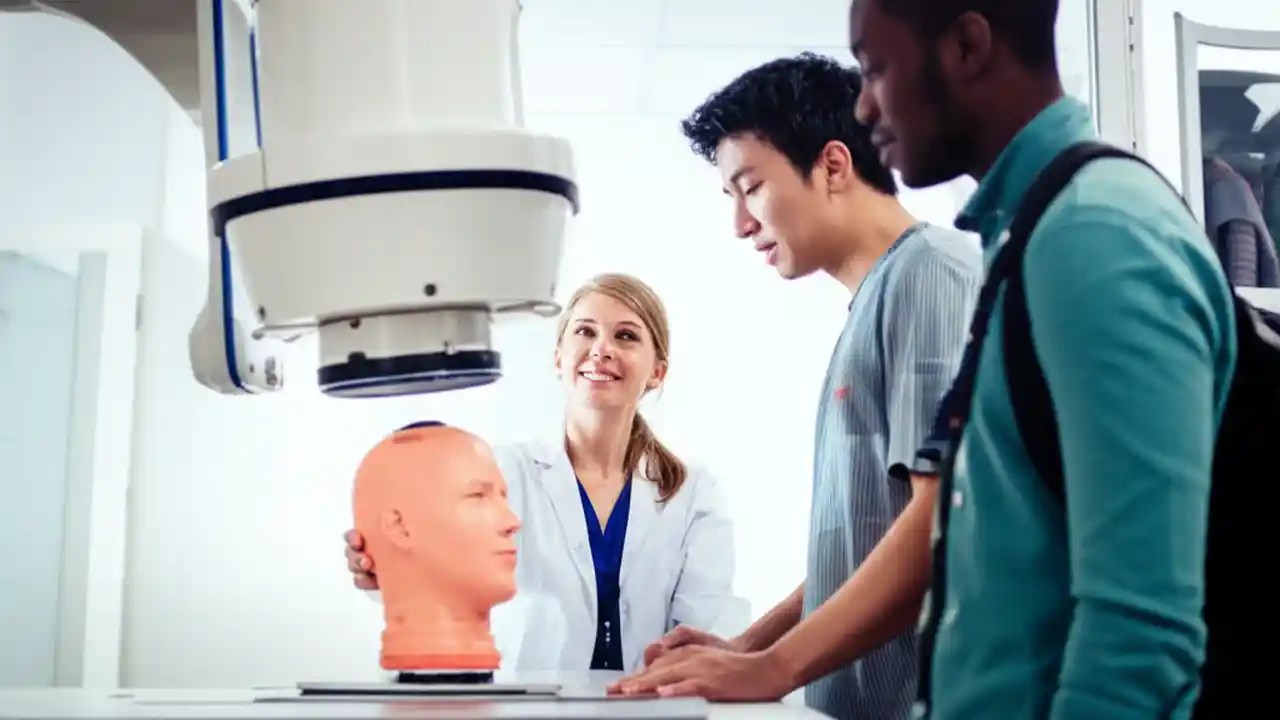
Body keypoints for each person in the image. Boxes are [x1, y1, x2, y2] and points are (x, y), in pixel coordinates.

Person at [847, 0, 1237, 717]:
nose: (864, 105)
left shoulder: (1096, 233)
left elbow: (1140, 641)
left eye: (875, 68)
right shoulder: (1032, 232)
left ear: (967, 45)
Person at [609, 53, 982, 720]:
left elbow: (940, 524)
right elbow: (875, 540)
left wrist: (773, 669)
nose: (740, 224)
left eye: (749, 188)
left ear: (834, 166)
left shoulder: (929, 276)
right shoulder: (878, 301)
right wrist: (752, 645)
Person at [342, 273, 739, 673]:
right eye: (585, 331)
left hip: (655, 707)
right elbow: (437, 580)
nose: (601, 349)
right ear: (557, 358)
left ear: (657, 372)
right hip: (523, 706)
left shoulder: (693, 493)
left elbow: (702, 634)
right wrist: (386, 571)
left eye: (626, 336)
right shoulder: (498, 474)